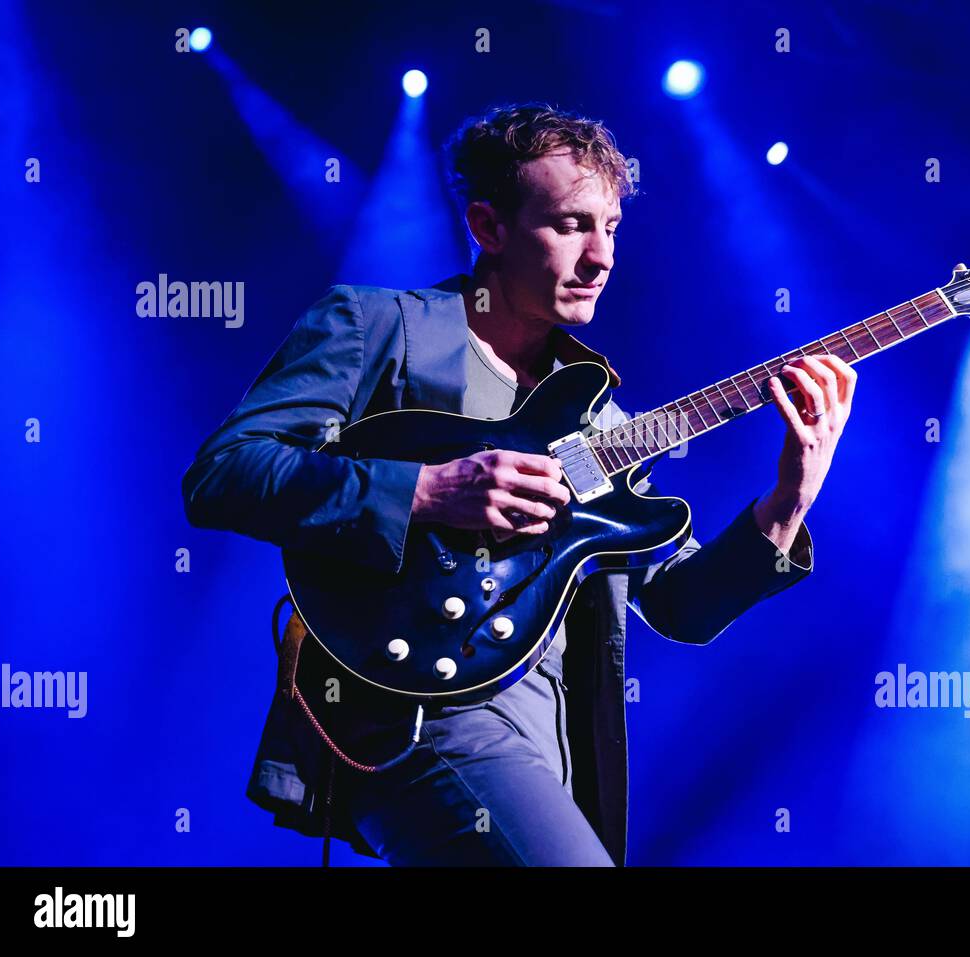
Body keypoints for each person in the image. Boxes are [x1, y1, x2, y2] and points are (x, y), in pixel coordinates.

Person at [181, 102, 857, 866]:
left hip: (553, 744)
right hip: (422, 713)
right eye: (570, 224)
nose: (600, 256)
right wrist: (428, 490)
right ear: (489, 226)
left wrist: (789, 498)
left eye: (610, 227)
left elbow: (682, 605)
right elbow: (224, 472)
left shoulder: (601, 416)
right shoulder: (381, 327)